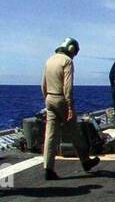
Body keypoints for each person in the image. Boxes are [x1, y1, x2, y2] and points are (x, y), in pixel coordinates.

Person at [41, 37, 100, 180]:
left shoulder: (49, 60)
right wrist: (69, 106)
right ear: (72, 49)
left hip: (49, 98)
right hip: (62, 98)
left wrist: (47, 98)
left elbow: (43, 84)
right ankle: (85, 161)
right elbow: (68, 87)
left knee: (50, 135)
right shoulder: (67, 61)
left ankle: (48, 168)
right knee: (74, 132)